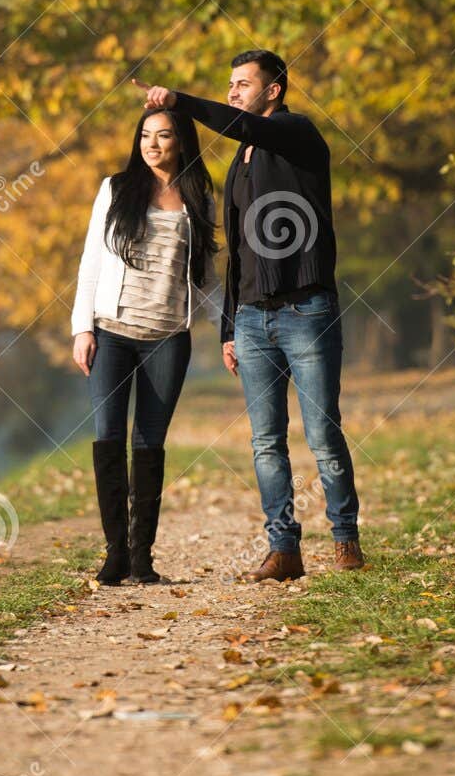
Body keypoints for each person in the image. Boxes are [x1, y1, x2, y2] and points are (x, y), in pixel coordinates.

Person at [135, 50, 365, 580]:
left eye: (243, 83)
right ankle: (283, 549)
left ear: (273, 91)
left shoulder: (297, 134)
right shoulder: (239, 164)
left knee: (323, 432)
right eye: (230, 84)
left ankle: (346, 539)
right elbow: (236, 251)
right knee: (265, 441)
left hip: (306, 309)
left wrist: (180, 102)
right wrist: (230, 326)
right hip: (254, 320)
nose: (234, 91)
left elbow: (239, 123)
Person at [71, 106, 218, 584]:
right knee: (108, 437)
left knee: (150, 444)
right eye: (145, 136)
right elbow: (91, 261)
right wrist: (82, 328)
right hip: (111, 331)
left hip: (168, 338)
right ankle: (115, 553)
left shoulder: (198, 194)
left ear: (182, 142)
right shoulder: (116, 188)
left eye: (164, 136)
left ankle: (142, 558)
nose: (152, 144)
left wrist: (229, 328)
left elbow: (206, 274)